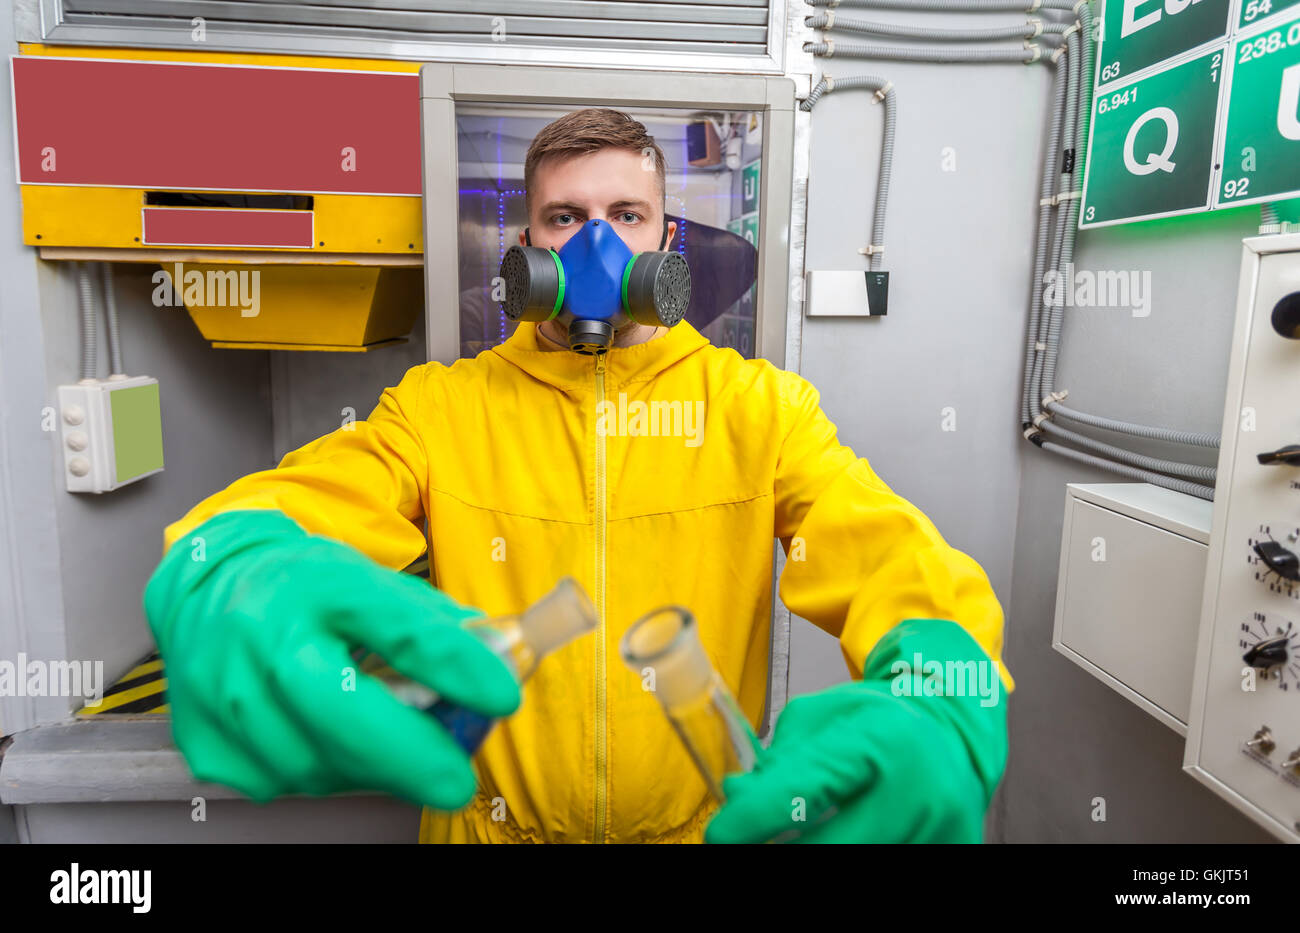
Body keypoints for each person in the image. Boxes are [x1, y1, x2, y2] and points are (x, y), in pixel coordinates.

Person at [144, 107, 1014, 844]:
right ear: (526, 248)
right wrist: (229, 564)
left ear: (667, 240)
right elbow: (311, 496)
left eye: (626, 214)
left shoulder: (759, 409)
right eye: (564, 219)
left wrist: (941, 690)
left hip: (702, 828)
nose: (596, 243)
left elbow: (889, 556)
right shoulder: (443, 407)